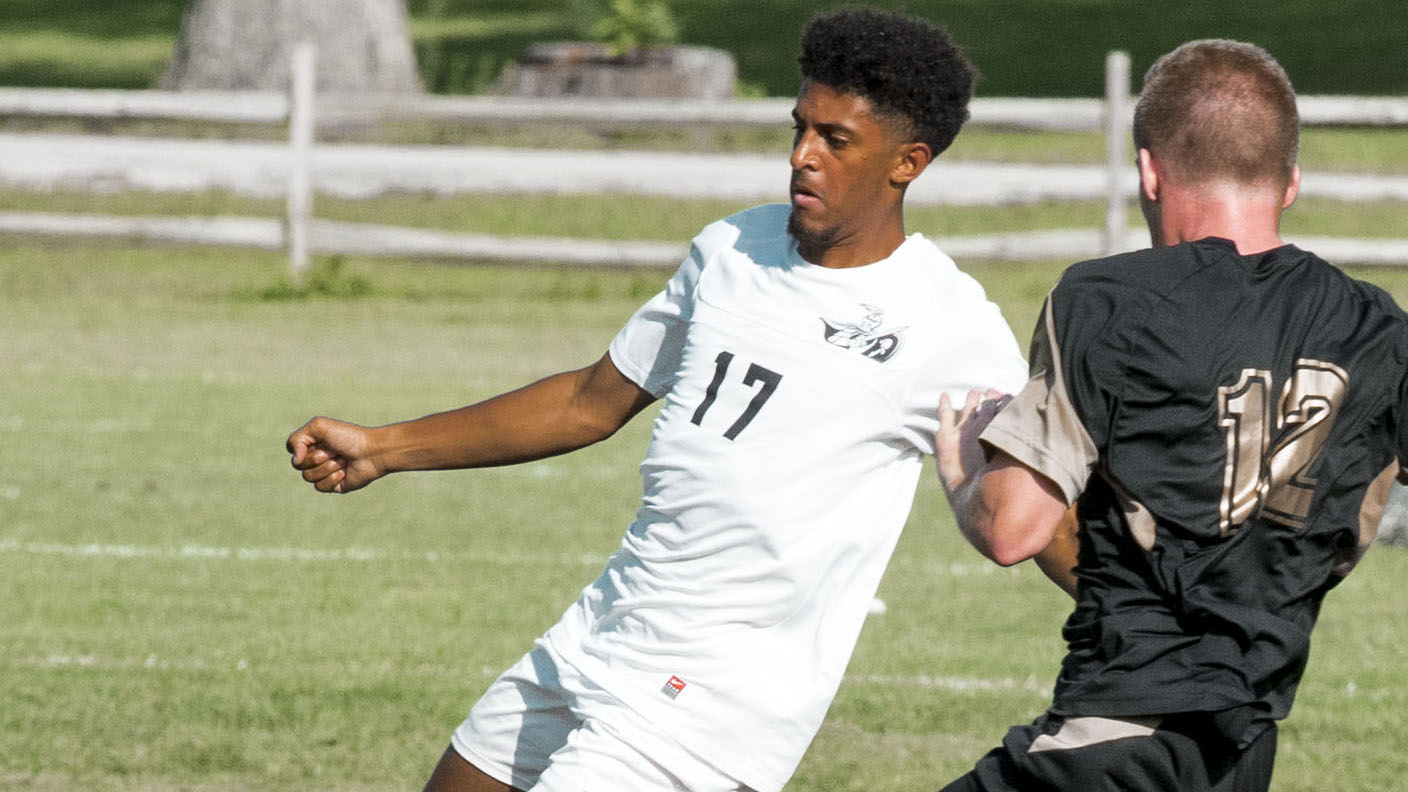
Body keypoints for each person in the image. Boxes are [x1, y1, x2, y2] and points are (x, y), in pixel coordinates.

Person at [286, 8, 1030, 792]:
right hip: (602, 631)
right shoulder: (733, 249)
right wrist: (383, 448)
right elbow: (587, 400)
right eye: (799, 128)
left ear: (907, 161)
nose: (802, 156)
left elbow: (1038, 503)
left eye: (834, 140)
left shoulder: (948, 323)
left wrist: (1154, 634)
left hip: (710, 703)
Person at [933, 39, 1408, 792]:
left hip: (1112, 737)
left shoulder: (1107, 302)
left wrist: (964, 471)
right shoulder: (1379, 330)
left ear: (1149, 171)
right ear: (1291, 182)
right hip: (1240, 748)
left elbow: (1011, 529)